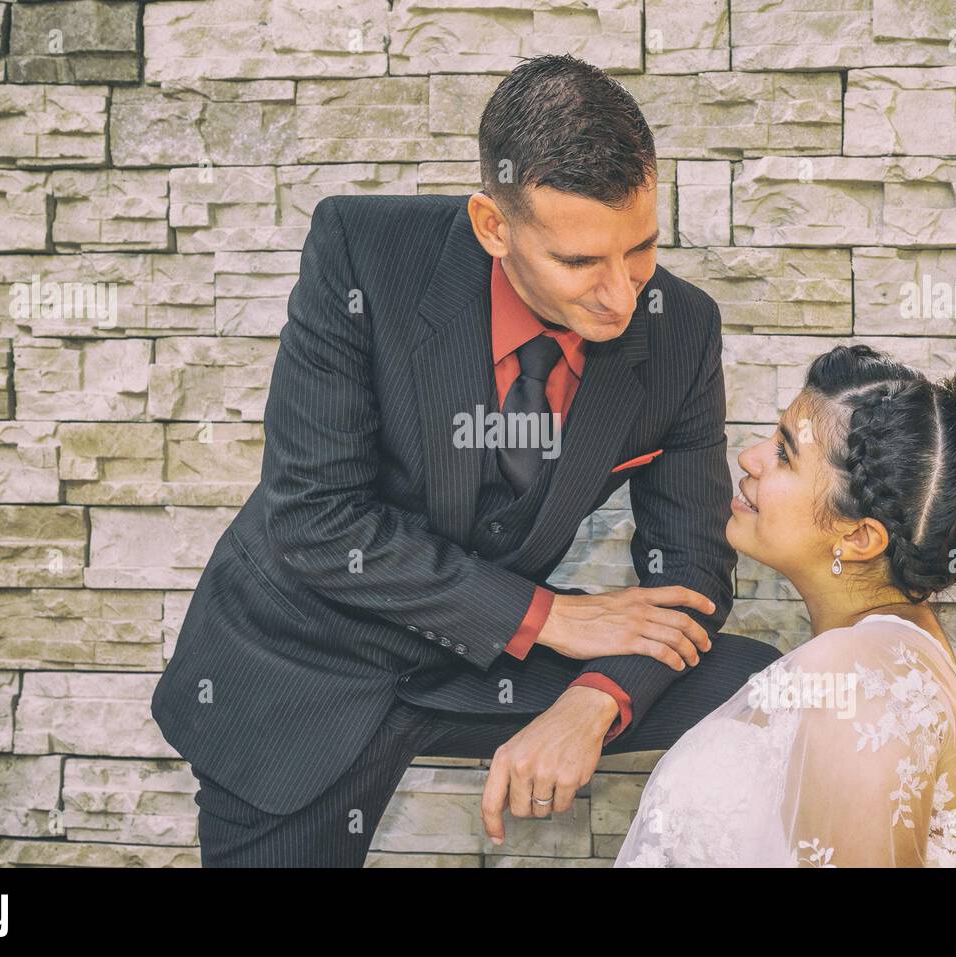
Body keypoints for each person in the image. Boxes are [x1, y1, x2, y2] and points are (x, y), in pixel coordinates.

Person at [150, 53, 782, 867]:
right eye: (580, 262)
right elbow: (315, 522)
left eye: (642, 248)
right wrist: (553, 616)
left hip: (484, 664)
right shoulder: (360, 255)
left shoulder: (682, 327)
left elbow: (690, 567)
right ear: (493, 225)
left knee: (763, 686)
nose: (622, 295)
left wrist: (595, 699)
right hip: (305, 660)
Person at [615, 344, 956, 867]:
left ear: (858, 537)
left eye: (786, 453)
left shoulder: (855, 680)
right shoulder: (893, 655)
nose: (750, 458)